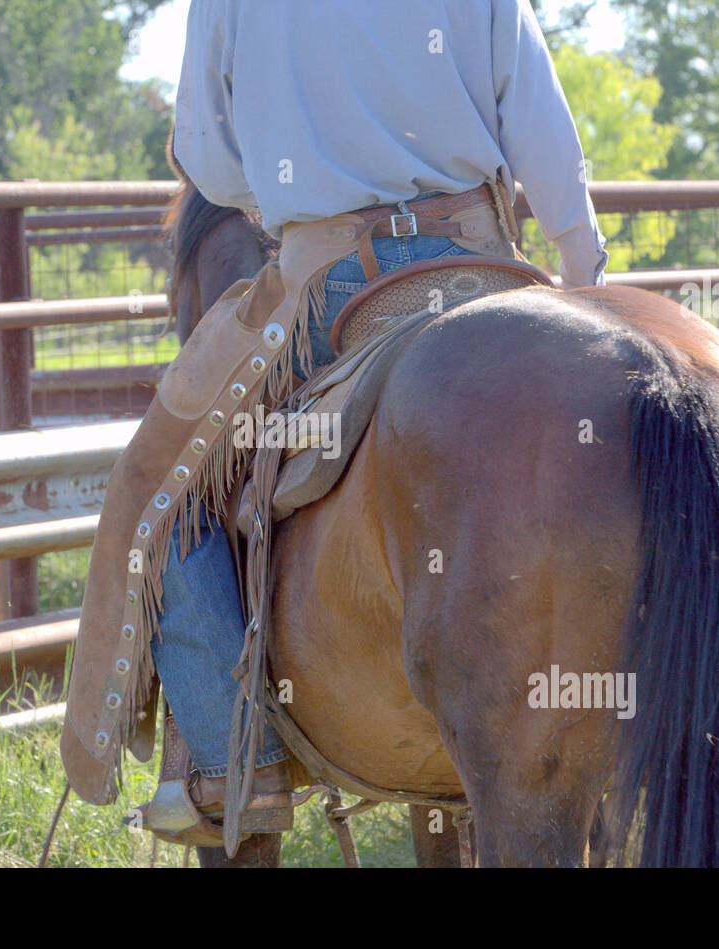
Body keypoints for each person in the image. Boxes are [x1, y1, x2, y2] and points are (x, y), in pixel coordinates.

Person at [61, 0, 608, 846]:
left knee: (163, 488)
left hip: (328, 283)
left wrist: (300, 181)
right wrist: (583, 278)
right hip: (483, 264)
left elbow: (208, 158)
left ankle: (228, 765)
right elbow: (542, 126)